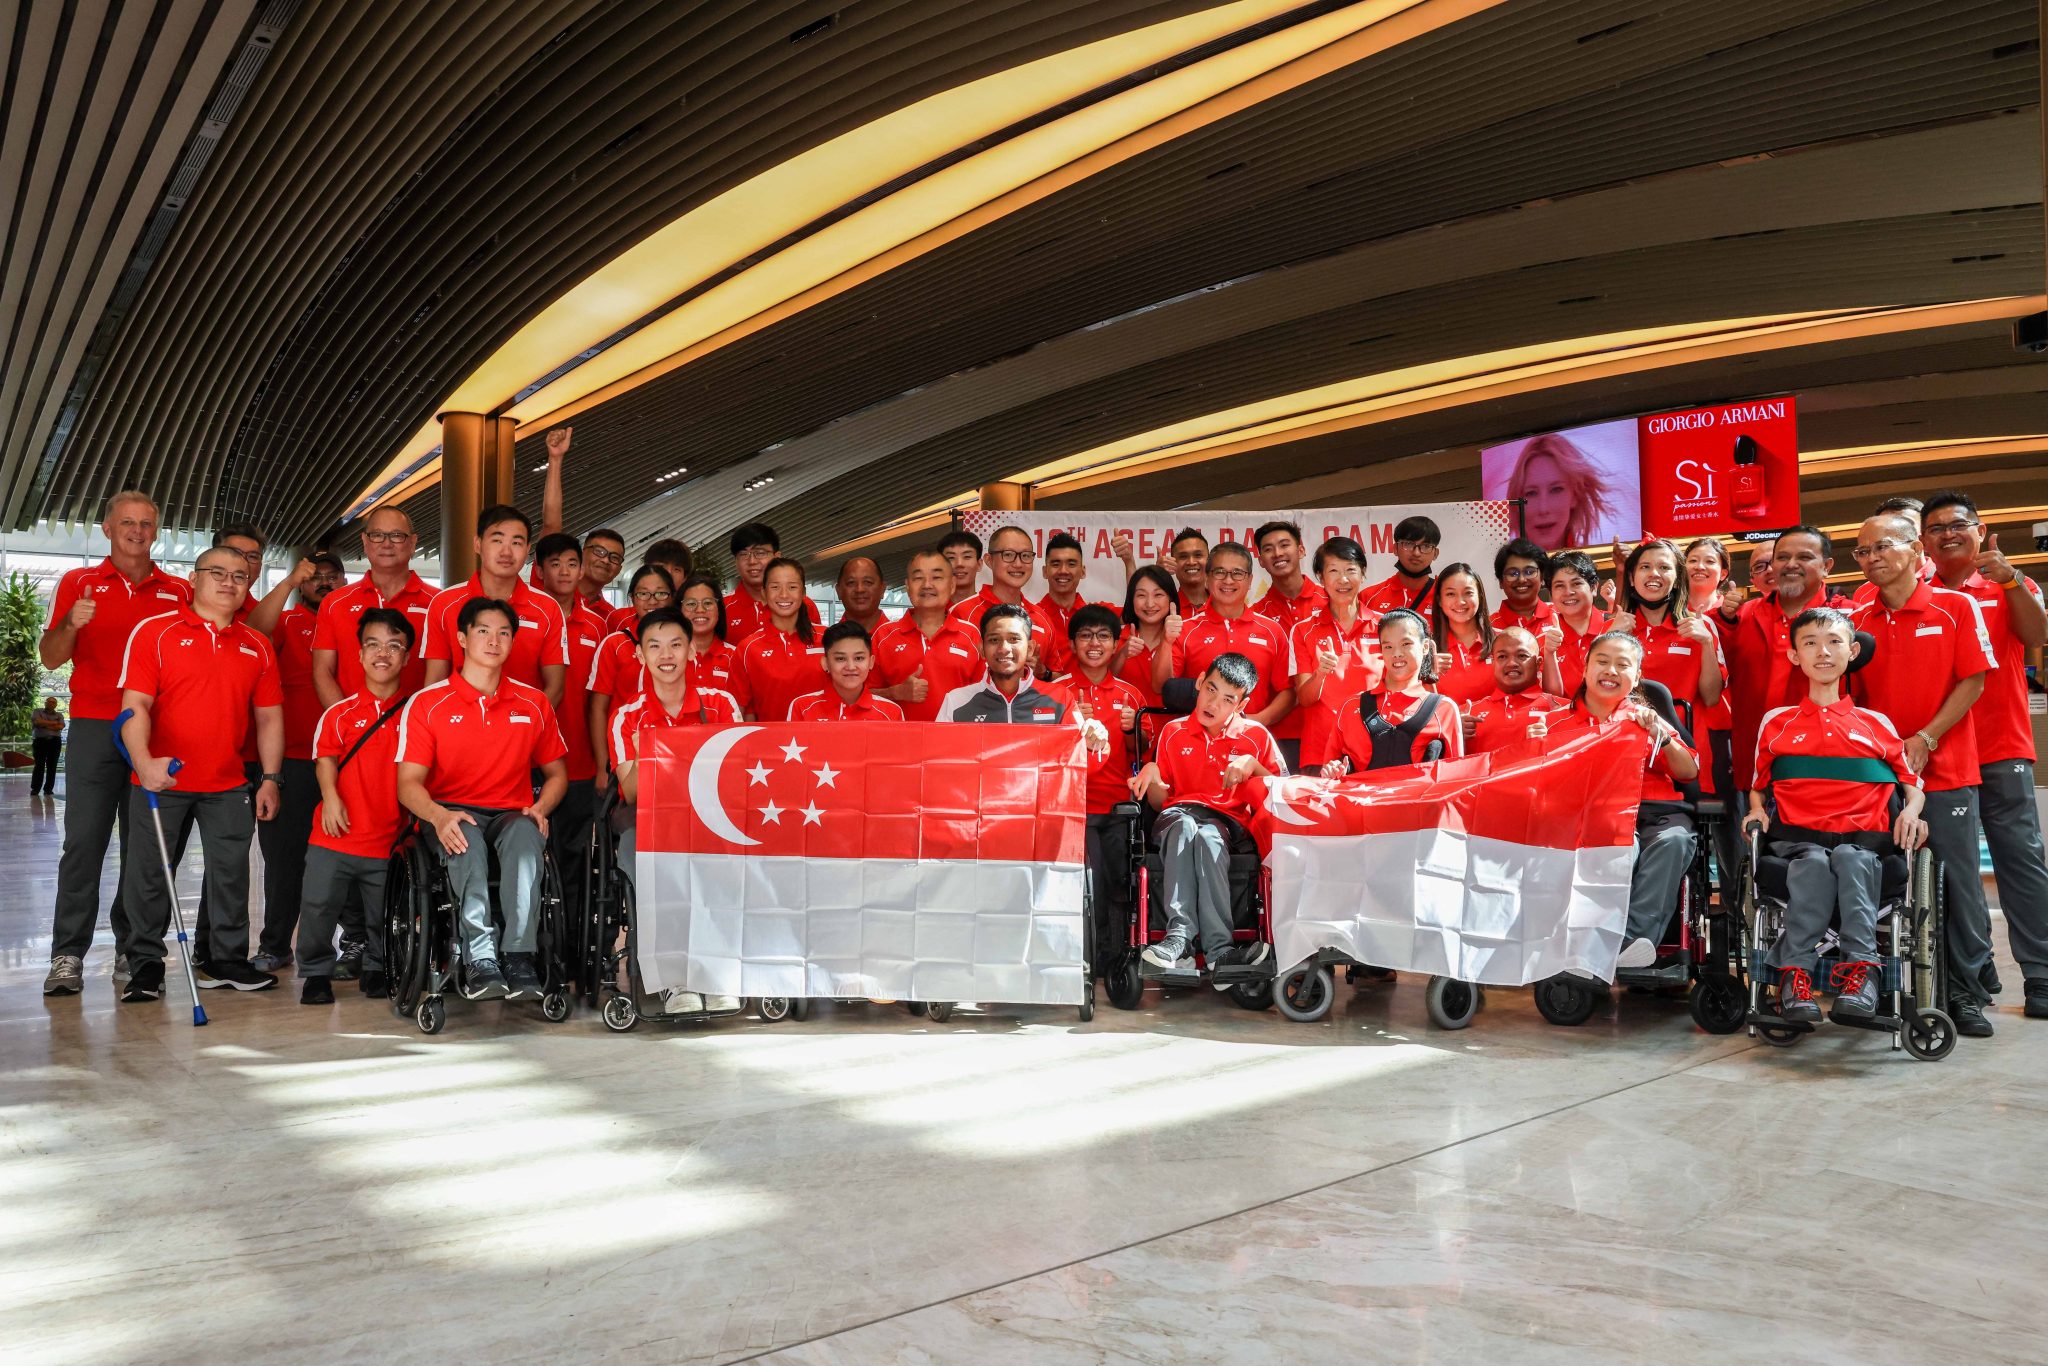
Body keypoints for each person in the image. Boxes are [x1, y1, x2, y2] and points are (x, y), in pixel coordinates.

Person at [113, 545, 285, 1002]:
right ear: (193, 579)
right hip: (161, 780)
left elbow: (269, 717)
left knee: (231, 875)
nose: (229, 582)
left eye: (240, 576)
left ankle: (224, 961)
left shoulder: (257, 645)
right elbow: (135, 705)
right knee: (149, 875)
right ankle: (145, 965)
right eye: (218, 572)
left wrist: (271, 779)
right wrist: (143, 761)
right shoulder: (155, 632)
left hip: (227, 782)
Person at [1848, 510, 1997, 1037]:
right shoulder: (1857, 620)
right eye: (1863, 551)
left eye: (1882, 546)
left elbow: (1974, 681)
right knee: (1883, 884)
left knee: (1959, 885)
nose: (1872, 558)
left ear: (1916, 550)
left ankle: (1967, 994)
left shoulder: (1956, 607)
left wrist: (1926, 738)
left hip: (1948, 771)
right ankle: (1884, 987)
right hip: (1880, 778)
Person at [41, 490, 192, 997]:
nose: (137, 532)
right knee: (83, 842)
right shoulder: (78, 582)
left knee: (144, 848)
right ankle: (68, 952)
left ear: (156, 531)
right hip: (94, 725)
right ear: (107, 529)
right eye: (127, 523)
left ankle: (135, 948)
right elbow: (50, 657)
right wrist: (70, 623)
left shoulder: (178, 590)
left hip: (154, 730)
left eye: (146, 524)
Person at [1746, 607, 1926, 1025]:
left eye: (1833, 642)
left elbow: (1911, 783)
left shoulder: (1875, 723)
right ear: (1795, 656)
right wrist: (1755, 809)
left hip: (1862, 842)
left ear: (1852, 652)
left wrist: (1913, 811)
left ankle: (1862, 973)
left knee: (1849, 858)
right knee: (1812, 864)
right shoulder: (1777, 722)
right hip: (1798, 841)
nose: (1823, 652)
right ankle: (1795, 976)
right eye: (1810, 643)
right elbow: (1759, 783)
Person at [396, 597, 569, 1003]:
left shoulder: (533, 703)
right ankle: (481, 958)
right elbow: (408, 784)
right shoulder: (428, 703)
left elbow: (557, 775)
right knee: (464, 838)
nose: (494, 641)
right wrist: (439, 816)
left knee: (527, 837)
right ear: (462, 638)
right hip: (451, 812)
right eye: (483, 631)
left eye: (504, 633)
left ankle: (519, 956)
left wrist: (541, 808)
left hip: (511, 813)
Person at [1922, 490, 2048, 1018]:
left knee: (2022, 862)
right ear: (1924, 541)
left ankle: (2041, 976)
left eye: (1959, 524)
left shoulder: (2008, 583)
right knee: (1956, 873)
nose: (1948, 534)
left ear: (1980, 529)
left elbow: (2038, 634)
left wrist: (2012, 579)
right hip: (1944, 752)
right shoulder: (1919, 594)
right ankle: (1970, 979)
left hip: (2002, 747)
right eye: (1936, 528)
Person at [607, 606, 742, 1016]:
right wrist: (644, 754)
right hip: (650, 819)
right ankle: (673, 979)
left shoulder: (721, 704)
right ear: (640, 655)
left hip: (709, 816)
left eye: (676, 645)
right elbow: (631, 792)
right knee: (643, 856)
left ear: (691, 651)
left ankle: (715, 970)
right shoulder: (627, 717)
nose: (666, 656)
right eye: (655, 646)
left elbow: (735, 776)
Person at [1546, 632, 1699, 970]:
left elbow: (1688, 772)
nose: (1611, 671)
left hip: (1656, 812)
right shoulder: (1557, 724)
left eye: (1622, 665)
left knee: (1674, 842)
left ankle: (1630, 944)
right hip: (1596, 817)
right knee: (1620, 846)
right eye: (1602, 661)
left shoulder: (1646, 718)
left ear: (1637, 676)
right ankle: (1591, 940)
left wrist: (1662, 737)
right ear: (1586, 667)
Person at [1127, 653, 1282, 975]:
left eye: (1228, 699)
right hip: (1177, 814)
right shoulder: (1172, 731)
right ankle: (1180, 939)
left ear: (1242, 705)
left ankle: (1219, 950)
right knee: (1185, 826)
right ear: (1199, 682)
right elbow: (1158, 802)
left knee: (1209, 837)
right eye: (1211, 689)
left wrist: (1253, 766)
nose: (1214, 703)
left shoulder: (1256, 736)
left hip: (1227, 823)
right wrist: (1152, 772)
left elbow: (1283, 793)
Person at [298, 609, 413, 1005]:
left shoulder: (416, 715)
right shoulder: (339, 713)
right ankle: (315, 973)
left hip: (389, 839)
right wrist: (331, 798)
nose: (383, 653)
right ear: (360, 655)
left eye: (394, 646)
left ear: (406, 658)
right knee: (318, 908)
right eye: (373, 645)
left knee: (384, 913)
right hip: (334, 836)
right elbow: (325, 760)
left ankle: (378, 967)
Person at [248, 550, 347, 974]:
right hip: (290, 760)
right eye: (314, 577)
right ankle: (275, 945)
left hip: (345, 760)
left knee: (347, 854)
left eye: (332, 575)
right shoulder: (288, 621)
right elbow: (252, 632)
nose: (323, 582)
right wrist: (288, 582)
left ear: (344, 580)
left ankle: (353, 940)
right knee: (284, 861)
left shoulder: (356, 622)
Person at [1046, 604, 1147, 962]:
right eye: (1085, 636)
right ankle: (1087, 959)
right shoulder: (1056, 692)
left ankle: (1117, 959)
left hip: (1118, 808)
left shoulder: (1131, 694)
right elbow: (1044, 750)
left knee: (1119, 884)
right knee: (1088, 885)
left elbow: (1143, 753)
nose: (1094, 643)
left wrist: (1133, 730)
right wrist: (1071, 724)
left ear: (1116, 644)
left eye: (1103, 636)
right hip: (1074, 808)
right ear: (1072, 644)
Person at [1728, 527, 1854, 793]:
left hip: (1831, 767)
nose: (1791, 564)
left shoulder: (1849, 617)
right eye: (1782, 557)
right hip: (1755, 768)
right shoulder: (1742, 617)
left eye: (1804, 557)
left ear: (1827, 566)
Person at [533, 532, 611, 937]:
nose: (564, 572)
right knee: (529, 859)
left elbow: (601, 700)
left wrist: (601, 763)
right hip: (530, 760)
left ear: (581, 570)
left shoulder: (597, 627)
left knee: (574, 859)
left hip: (579, 761)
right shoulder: (523, 618)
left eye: (571, 563)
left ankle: (570, 943)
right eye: (554, 564)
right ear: (539, 571)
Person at [422, 505, 568, 703]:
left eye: (516, 543)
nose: (506, 552)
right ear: (478, 544)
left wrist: (529, 720)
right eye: (497, 541)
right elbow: (435, 681)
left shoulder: (547, 608)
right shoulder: (444, 604)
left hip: (524, 719)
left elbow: (555, 686)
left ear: (527, 550)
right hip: (457, 719)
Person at [1152, 542, 1293, 733]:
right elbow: (1161, 686)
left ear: (1250, 580)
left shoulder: (1272, 631)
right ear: (1207, 578)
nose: (1228, 580)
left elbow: (1288, 691)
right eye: (1220, 572)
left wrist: (1255, 722)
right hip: (1196, 741)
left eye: (1237, 573)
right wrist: (1166, 642)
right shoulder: (1186, 629)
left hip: (1252, 741)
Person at [312, 505, 434, 708]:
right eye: (377, 535)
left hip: (417, 725)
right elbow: (322, 671)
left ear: (413, 543)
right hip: (352, 724)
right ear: (365, 541)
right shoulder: (335, 603)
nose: (386, 544)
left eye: (397, 535)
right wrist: (346, 721)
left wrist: (422, 723)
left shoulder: (437, 603)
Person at [1320, 609, 1463, 774]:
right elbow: (1328, 777)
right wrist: (1332, 771)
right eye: (1388, 646)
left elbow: (1456, 778)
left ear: (1425, 647)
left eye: (1406, 644)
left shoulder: (1444, 709)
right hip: (1361, 792)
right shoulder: (1350, 707)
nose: (1396, 654)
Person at [1289, 537, 1382, 771]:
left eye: (1350, 570)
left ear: (1363, 573)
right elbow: (1305, 698)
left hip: (1376, 747)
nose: (1343, 579)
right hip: (1321, 751)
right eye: (1333, 571)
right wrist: (1320, 674)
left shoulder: (1385, 626)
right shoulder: (1303, 630)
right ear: (1321, 577)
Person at [1607, 539, 1724, 717]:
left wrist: (1707, 643)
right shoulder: (1612, 629)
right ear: (1631, 578)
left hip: (1685, 733)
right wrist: (1610, 639)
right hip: (1627, 732)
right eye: (1645, 567)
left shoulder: (1702, 625)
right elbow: (1592, 693)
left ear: (1677, 580)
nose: (1654, 573)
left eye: (1664, 567)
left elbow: (1711, 698)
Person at [872, 550, 984, 721]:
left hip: (957, 736)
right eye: (918, 578)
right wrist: (895, 692)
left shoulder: (971, 635)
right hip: (899, 737)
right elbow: (860, 695)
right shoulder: (883, 635)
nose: (927, 585)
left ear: (952, 585)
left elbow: (985, 695)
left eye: (936, 577)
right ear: (907, 586)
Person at [586, 564, 677, 768]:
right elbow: (598, 709)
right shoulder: (614, 644)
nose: (652, 600)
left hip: (673, 755)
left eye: (661, 593)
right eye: (643, 593)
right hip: (623, 754)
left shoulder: (684, 644)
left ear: (672, 597)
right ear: (632, 598)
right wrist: (602, 766)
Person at [535, 425, 630, 614]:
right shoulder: (550, 582)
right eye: (599, 551)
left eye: (614, 557)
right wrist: (555, 459)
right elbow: (551, 524)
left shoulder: (609, 617)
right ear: (581, 556)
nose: (605, 560)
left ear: (618, 570)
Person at [1252, 521, 1324, 768]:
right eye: (1268, 549)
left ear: (1301, 550)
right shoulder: (1256, 615)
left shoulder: (1331, 600)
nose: (1277, 553)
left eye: (1284, 545)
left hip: (1330, 731)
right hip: (1280, 734)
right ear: (1261, 560)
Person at [947, 525, 1055, 669]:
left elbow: (1057, 675)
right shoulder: (962, 613)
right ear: (989, 560)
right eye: (1008, 555)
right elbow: (950, 671)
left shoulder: (1042, 618)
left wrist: (1043, 672)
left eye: (1025, 556)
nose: (1018, 564)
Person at [732, 557, 826, 722]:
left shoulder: (828, 639)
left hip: (824, 736)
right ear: (764, 593)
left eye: (792, 587)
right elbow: (736, 711)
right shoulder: (748, 648)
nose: (784, 594)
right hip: (771, 738)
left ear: (803, 593)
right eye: (775, 587)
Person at [1036, 532, 1131, 677]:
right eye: (1056, 564)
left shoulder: (1097, 614)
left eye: (1071, 564)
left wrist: (1129, 561)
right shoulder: (1032, 617)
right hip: (1045, 692)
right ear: (1044, 571)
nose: (1063, 571)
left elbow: (1132, 613)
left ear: (1083, 571)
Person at [1507, 431, 1617, 551]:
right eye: (1531, 493)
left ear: (1575, 495)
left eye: (1556, 489)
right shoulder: (1500, 560)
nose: (1543, 509)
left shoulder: (1588, 559)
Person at [1463, 627, 1565, 754]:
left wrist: (1550, 741)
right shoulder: (1467, 714)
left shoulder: (1560, 709)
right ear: (1493, 663)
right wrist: (1455, 735)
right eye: (1502, 656)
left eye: (1522, 656)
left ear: (1538, 663)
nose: (1511, 663)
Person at [726, 522, 819, 645]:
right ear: (735, 561)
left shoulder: (804, 604)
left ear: (777, 556)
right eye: (743, 554)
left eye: (760, 553)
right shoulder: (721, 609)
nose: (752, 561)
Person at [790, 621, 904, 721]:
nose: (851, 667)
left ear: (871, 662)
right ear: (825, 663)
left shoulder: (891, 712)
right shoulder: (802, 708)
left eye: (859, 658)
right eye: (840, 659)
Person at [1537, 551, 1607, 700]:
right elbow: (1551, 699)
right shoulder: (1543, 639)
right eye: (1559, 586)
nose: (1568, 592)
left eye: (1576, 583)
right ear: (1551, 594)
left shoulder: (1615, 626)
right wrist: (1549, 653)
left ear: (1594, 588)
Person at [1112, 564, 1179, 707]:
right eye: (1141, 595)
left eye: (1158, 595)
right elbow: (1102, 683)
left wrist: (1167, 642)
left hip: (1173, 722)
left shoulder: (1184, 638)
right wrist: (1122, 654)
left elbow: (1163, 687)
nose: (1149, 603)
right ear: (1131, 600)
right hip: (1126, 721)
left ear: (1171, 599)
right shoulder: (1115, 637)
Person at [1428, 562, 1495, 705]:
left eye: (1468, 593)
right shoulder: (1426, 649)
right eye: (1451, 594)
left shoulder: (1502, 642)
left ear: (1480, 596)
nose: (1460, 601)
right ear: (1439, 600)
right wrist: (1427, 673)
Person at [609, 539, 692, 633]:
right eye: (661, 567)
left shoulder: (692, 617)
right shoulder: (619, 618)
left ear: (685, 577)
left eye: (677, 569)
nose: (668, 573)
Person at [1362, 515, 1441, 614]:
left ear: (1435, 554)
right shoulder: (1368, 597)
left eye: (1426, 546)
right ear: (1395, 549)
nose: (1416, 553)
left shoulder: (1444, 597)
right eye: (1408, 544)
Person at [1491, 538, 1553, 631]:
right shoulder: (1488, 628)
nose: (1521, 580)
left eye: (1529, 572)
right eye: (1513, 574)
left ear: (1542, 578)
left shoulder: (1561, 615)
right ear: (1501, 581)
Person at [834, 556, 892, 635]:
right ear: (838, 591)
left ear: (882, 589)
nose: (859, 589)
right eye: (851, 582)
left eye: (868, 582)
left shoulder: (900, 638)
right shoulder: (825, 640)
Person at [1161, 527, 1211, 614]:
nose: (1191, 562)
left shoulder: (1225, 605)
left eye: (1198, 555)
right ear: (1172, 562)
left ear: (1209, 560)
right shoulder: (1163, 610)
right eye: (1183, 557)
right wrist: (1157, 575)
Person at [936, 528, 985, 609]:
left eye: (967, 556)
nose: (959, 564)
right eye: (951, 558)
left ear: (979, 564)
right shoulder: (931, 610)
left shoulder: (992, 611)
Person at [30, 697, 63, 795]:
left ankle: (48, 789)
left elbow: (61, 726)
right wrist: (54, 723)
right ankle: (35, 789)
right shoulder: (37, 711)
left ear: (55, 705)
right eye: (49, 702)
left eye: (53, 702)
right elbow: (37, 722)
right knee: (39, 765)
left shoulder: (59, 714)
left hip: (55, 742)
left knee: (52, 766)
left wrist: (44, 724)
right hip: (40, 742)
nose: (51, 704)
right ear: (45, 703)